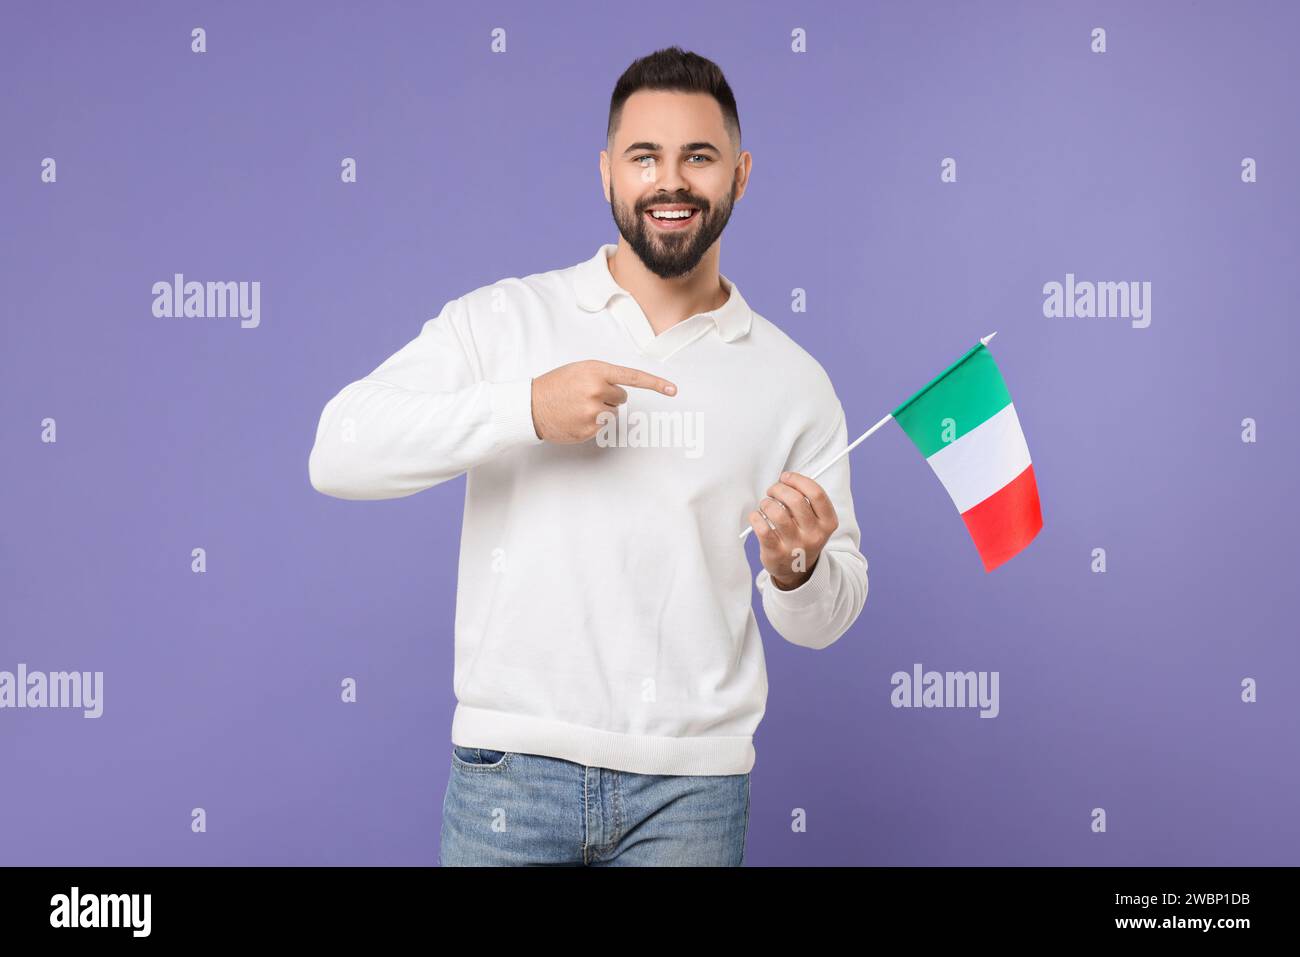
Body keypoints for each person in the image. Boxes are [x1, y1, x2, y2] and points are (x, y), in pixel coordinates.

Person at [308, 45, 869, 866]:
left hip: (693, 791)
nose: (671, 181)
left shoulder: (794, 381)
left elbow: (827, 616)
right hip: (511, 773)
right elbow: (338, 450)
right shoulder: (505, 321)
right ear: (608, 173)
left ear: (740, 175)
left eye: (698, 157)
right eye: (646, 157)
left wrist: (798, 574)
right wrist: (524, 406)